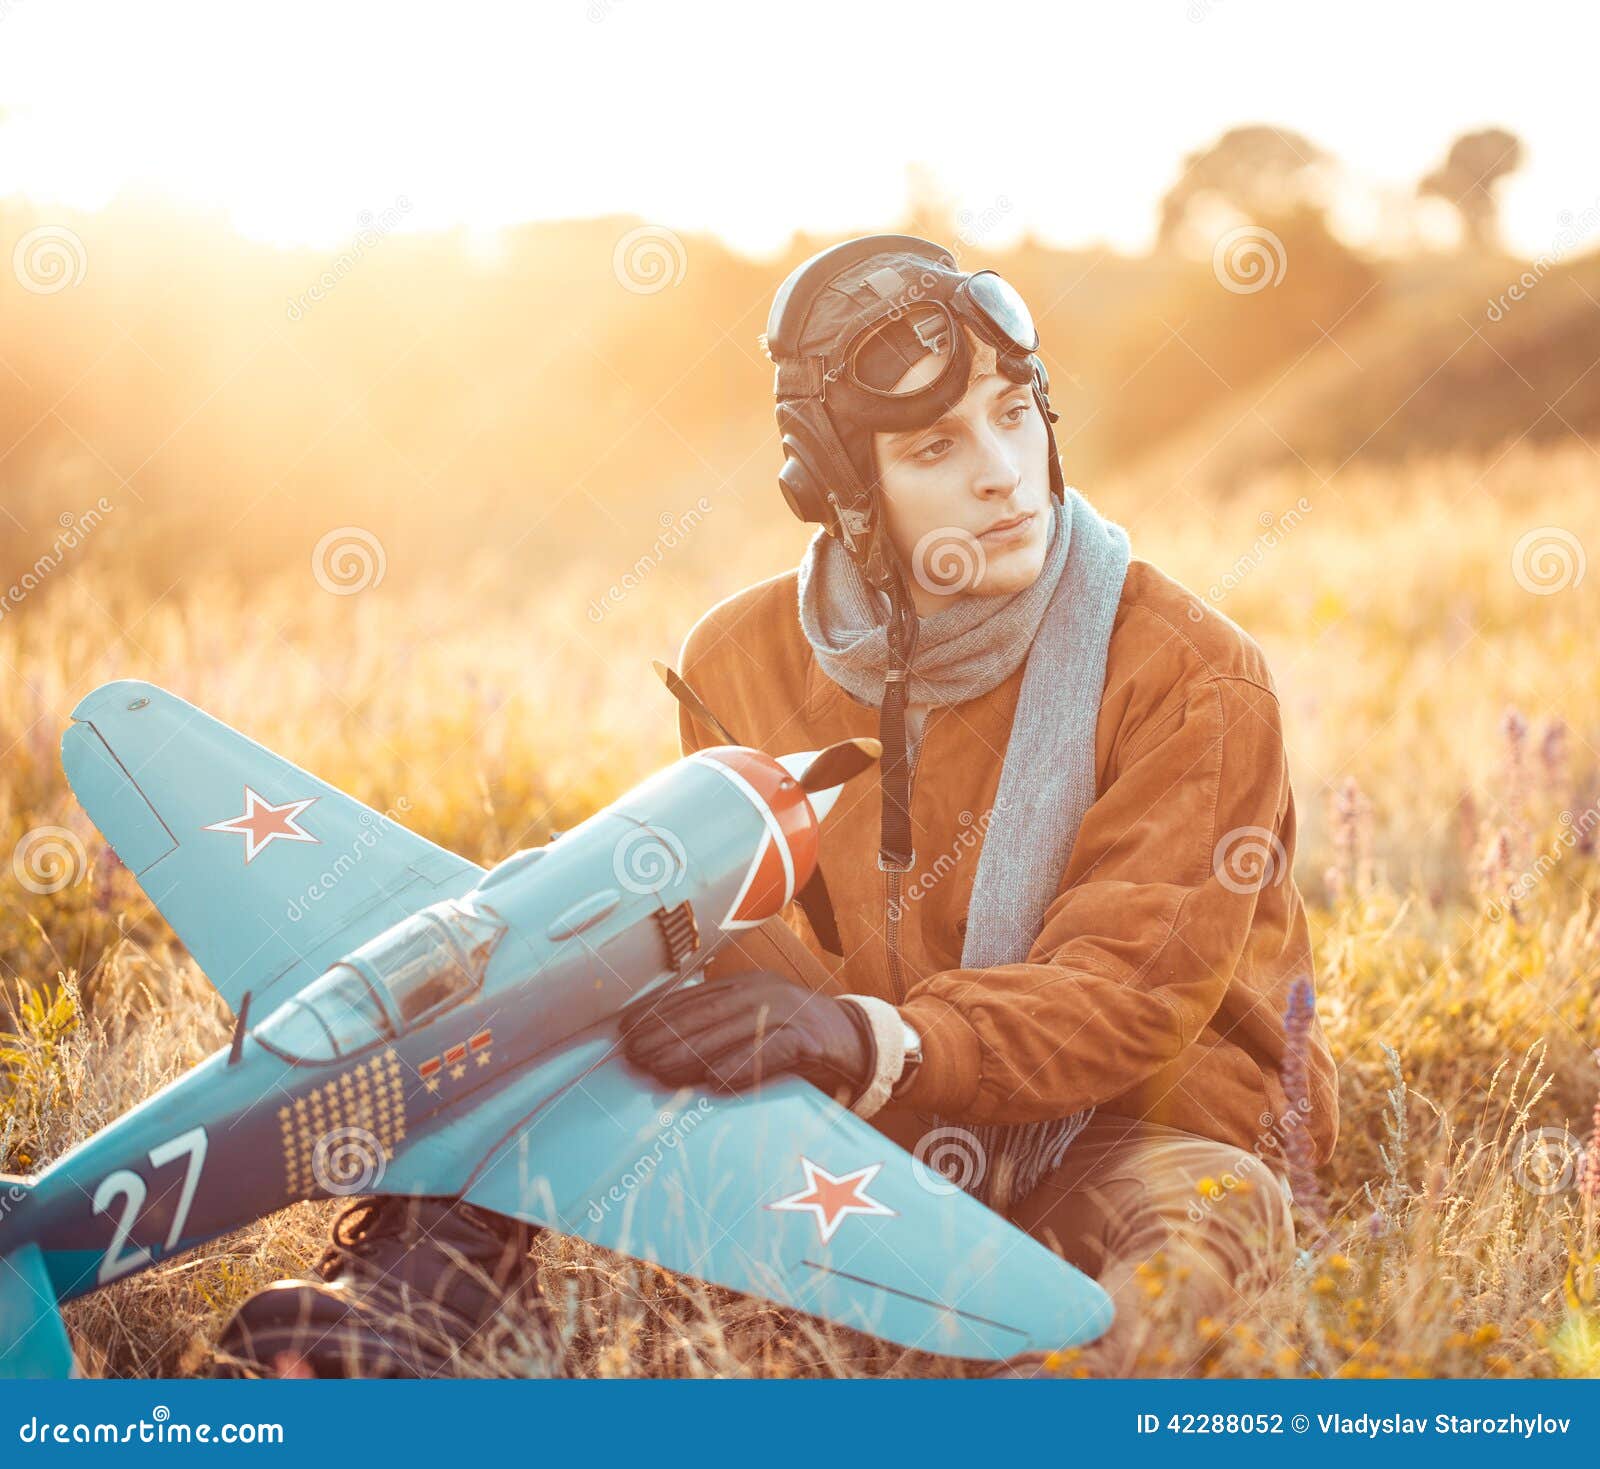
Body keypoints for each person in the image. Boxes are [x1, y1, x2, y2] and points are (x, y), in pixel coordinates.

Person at [216, 233, 1337, 1379]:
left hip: (1132, 1124)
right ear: (842, 489)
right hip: (863, 1118)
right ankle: (416, 1287)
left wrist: (869, 1034)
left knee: (1204, 1231)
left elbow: (1130, 989)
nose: (1003, 471)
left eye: (1014, 413)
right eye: (935, 446)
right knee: (587, 930)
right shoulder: (741, 657)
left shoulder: (1192, 671)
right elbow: (709, 929)